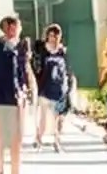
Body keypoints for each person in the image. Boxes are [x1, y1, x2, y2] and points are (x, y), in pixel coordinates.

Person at [0, 15, 28, 174]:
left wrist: (25, 90)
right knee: (0, 140)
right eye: (9, 27)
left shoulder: (23, 46)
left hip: (17, 98)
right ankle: (0, 170)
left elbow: (25, 71)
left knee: (17, 140)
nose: (13, 31)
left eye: (16, 27)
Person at [33, 24, 70, 153]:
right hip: (45, 87)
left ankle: (57, 141)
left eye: (56, 35)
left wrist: (69, 84)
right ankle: (39, 139)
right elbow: (37, 68)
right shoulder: (42, 50)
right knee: (43, 118)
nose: (53, 38)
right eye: (51, 35)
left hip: (59, 88)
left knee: (58, 118)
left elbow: (67, 69)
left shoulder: (62, 51)